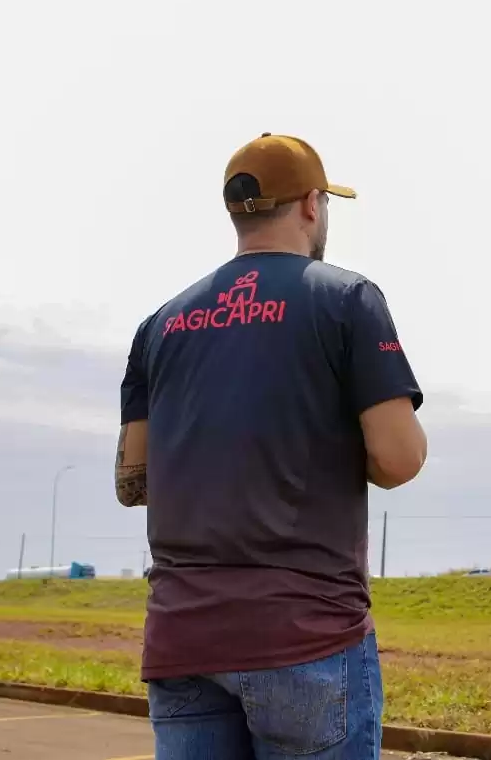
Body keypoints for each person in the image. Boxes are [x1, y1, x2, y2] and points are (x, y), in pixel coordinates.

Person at [114, 132, 427, 760]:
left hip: (181, 640)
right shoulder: (347, 300)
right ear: (312, 204)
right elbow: (399, 458)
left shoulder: (160, 324)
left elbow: (132, 484)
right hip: (303, 637)